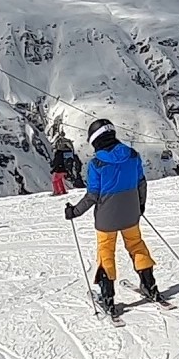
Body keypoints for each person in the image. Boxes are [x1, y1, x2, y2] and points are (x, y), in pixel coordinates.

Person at [65, 118, 160, 313]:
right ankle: (150, 285)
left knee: (106, 251)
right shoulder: (133, 155)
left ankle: (108, 297)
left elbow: (92, 196)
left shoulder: (97, 164)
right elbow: (141, 183)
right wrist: (140, 205)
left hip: (106, 219)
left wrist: (74, 211)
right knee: (136, 245)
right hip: (131, 214)